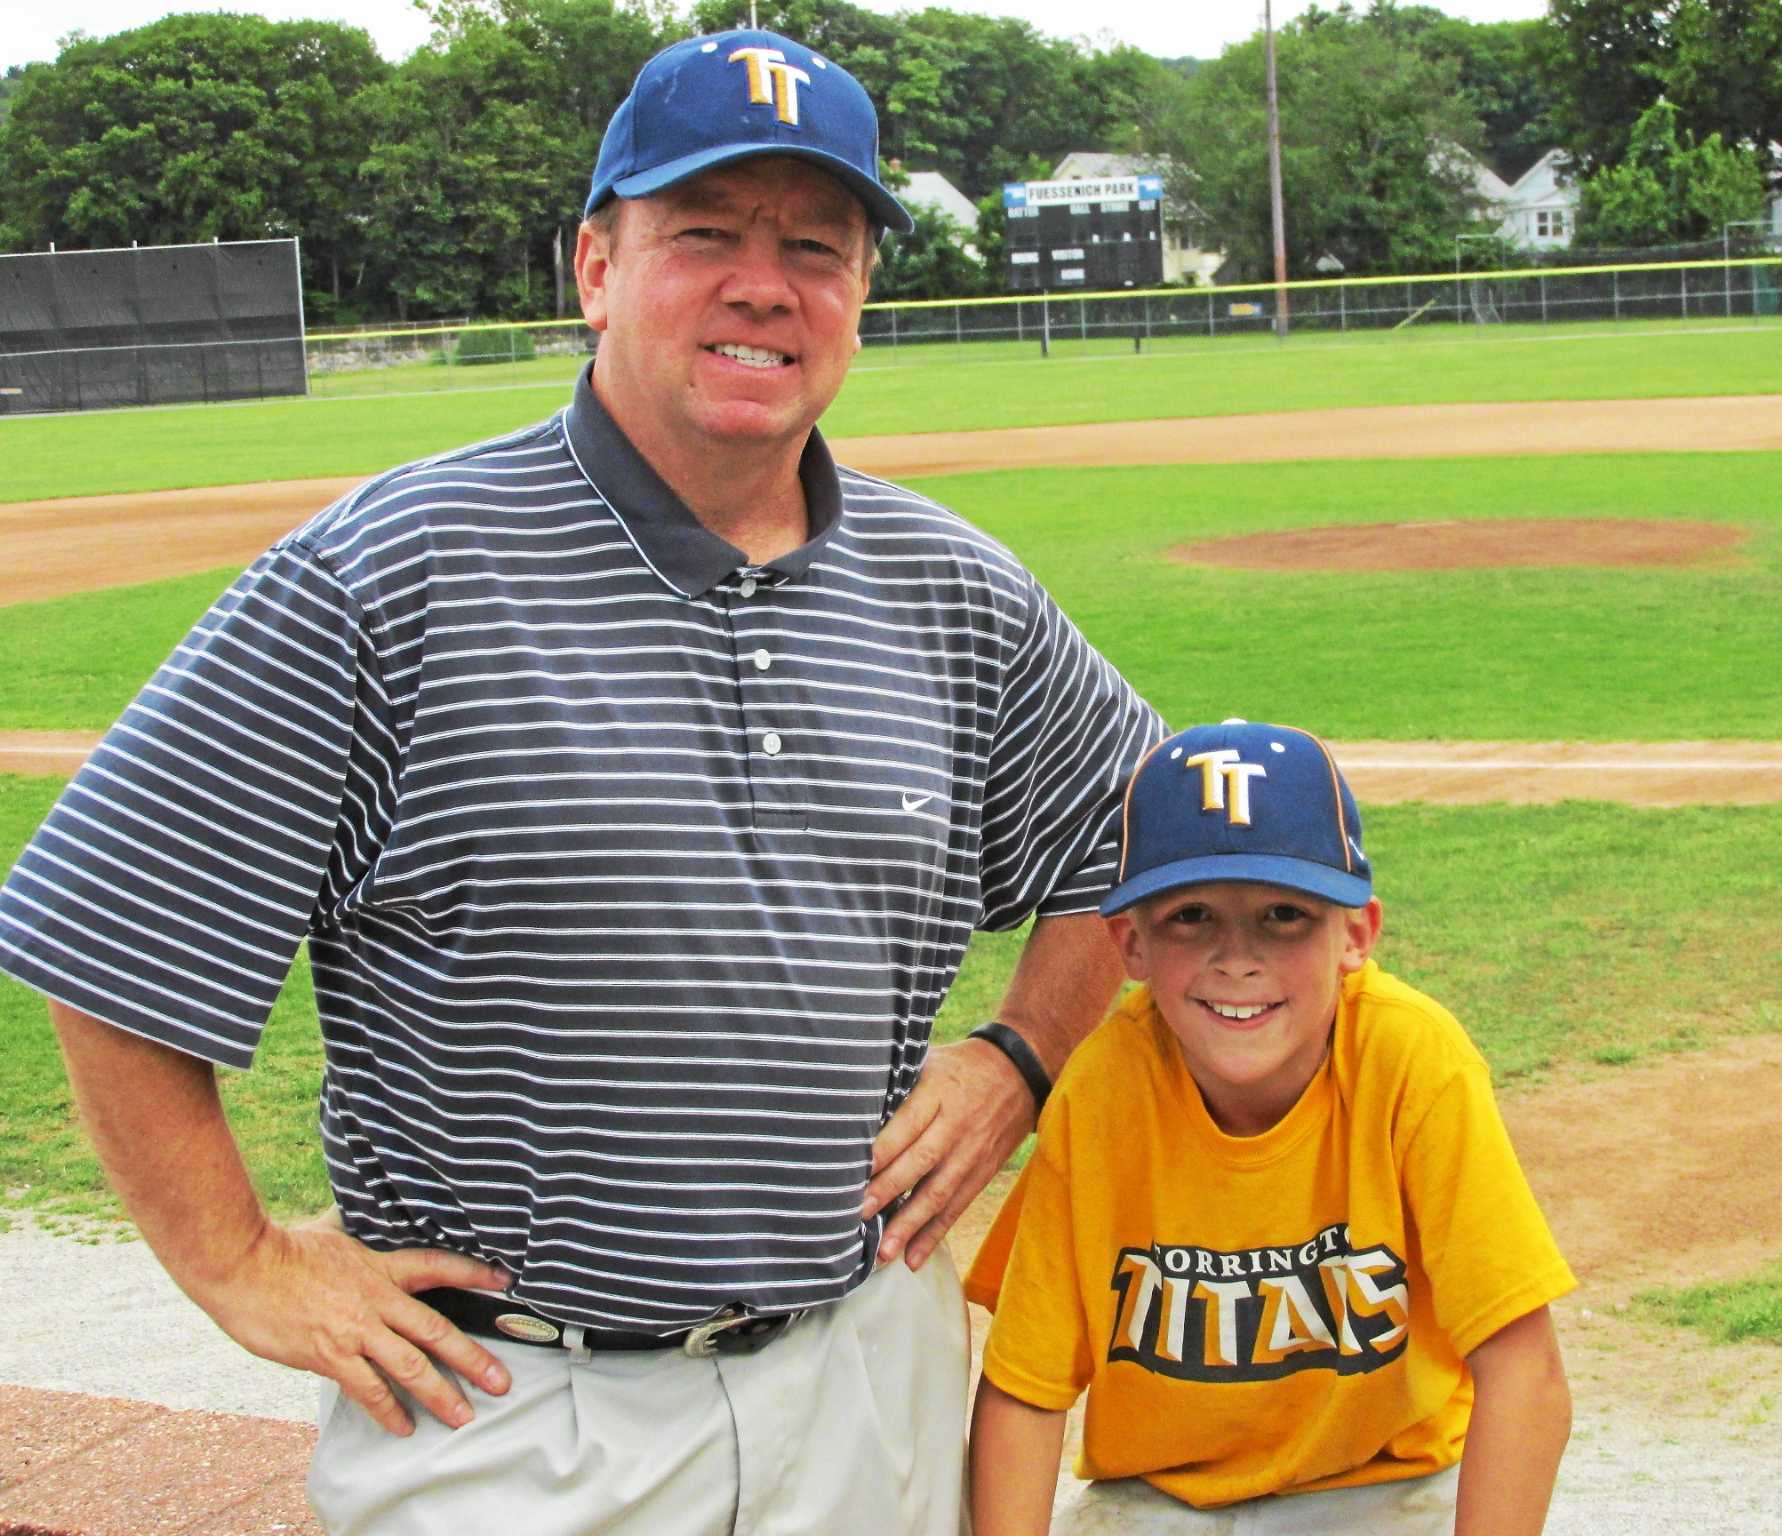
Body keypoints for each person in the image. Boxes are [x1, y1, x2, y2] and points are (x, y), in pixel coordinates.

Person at [0, 28, 1159, 1534]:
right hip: (517, 1421)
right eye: (704, 235)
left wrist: (1021, 1054)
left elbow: (1142, 834)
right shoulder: (393, 573)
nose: (765, 281)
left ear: (860, 292)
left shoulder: (955, 589)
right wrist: (237, 1261)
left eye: (816, 243)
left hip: (868, 1378)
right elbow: (113, 921)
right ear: (595, 267)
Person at [965, 720, 1575, 1535]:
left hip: (1387, 1485)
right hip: (1162, 1498)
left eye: (1286, 914)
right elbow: (1025, 1389)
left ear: (1356, 935)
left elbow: (1523, 1370)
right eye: (1191, 917)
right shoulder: (1104, 1091)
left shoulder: (1410, 1061)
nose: (1237, 958)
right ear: (1130, 943)